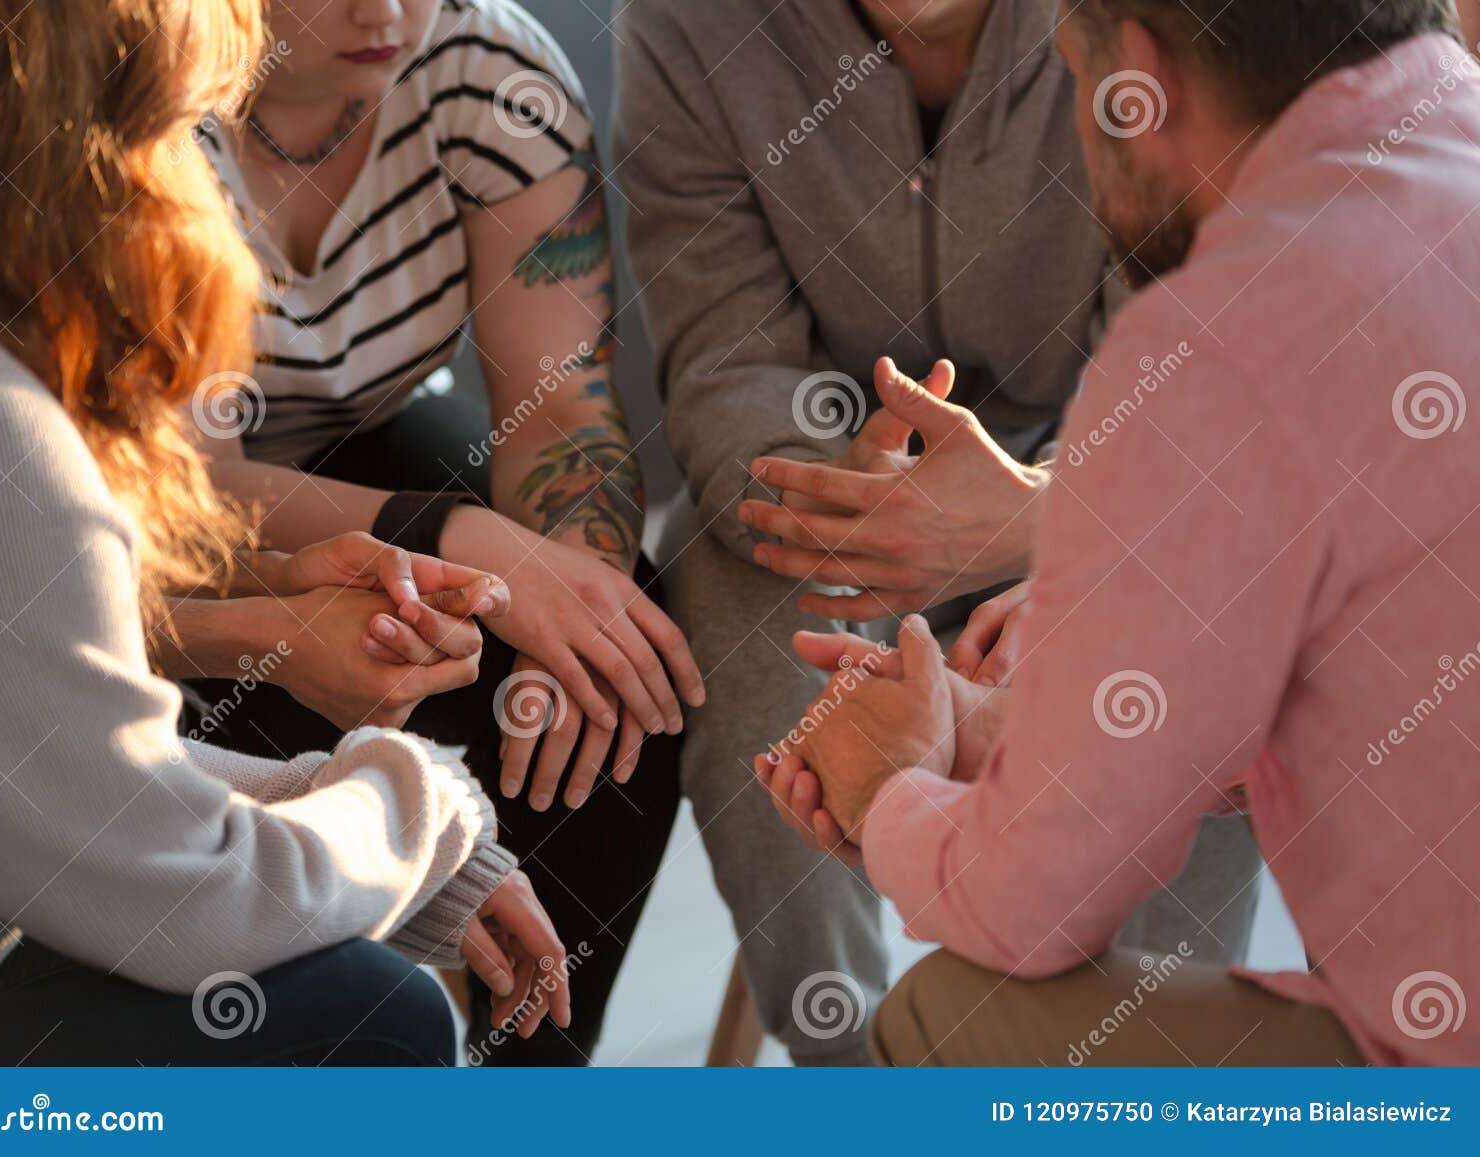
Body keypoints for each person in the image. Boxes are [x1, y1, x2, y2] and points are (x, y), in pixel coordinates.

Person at [761, 0, 1480, 1065]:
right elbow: (1371, 648)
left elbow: (1033, 908)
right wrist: (1017, 731)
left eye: (1067, 76)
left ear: (1139, 69)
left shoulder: (1220, 341)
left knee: (944, 1011)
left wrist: (890, 789)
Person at [0, 0, 566, 1066]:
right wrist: (420, 796)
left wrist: (413, 844)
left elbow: (44, 768)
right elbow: (180, 895)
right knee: (377, 1015)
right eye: (185, 133)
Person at [614, 0, 1256, 1064]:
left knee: (1195, 600)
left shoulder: (1157, 23)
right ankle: (855, 1070)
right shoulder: (684, 24)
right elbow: (723, 352)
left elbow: (1179, 347)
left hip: (1085, 470)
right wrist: (851, 501)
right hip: (831, 480)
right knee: (730, 603)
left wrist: (1062, 520)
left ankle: (1165, 1074)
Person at [170, 0, 702, 1065]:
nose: (388, 11)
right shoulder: (149, 100)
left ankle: (529, 1090)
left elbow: (558, 406)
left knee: (610, 666)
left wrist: (572, 609)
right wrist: (462, 534)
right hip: (159, 503)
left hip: (373, 437)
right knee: (250, 706)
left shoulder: (488, 71)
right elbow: (174, 482)